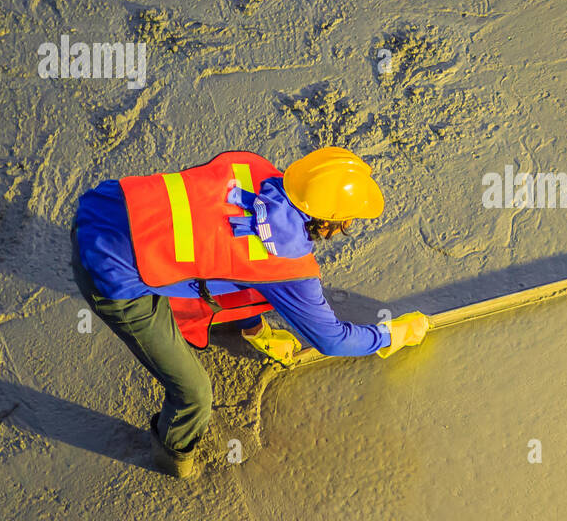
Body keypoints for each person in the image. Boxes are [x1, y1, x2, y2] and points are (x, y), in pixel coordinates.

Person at [70, 147, 430, 478]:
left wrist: (256, 328)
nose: (349, 226)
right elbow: (331, 339)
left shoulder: (250, 167)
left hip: (107, 201)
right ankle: (173, 458)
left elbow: (224, 248)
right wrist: (392, 335)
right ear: (328, 221)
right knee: (195, 395)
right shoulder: (289, 270)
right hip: (107, 276)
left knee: (231, 274)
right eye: (348, 220)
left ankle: (229, 322)